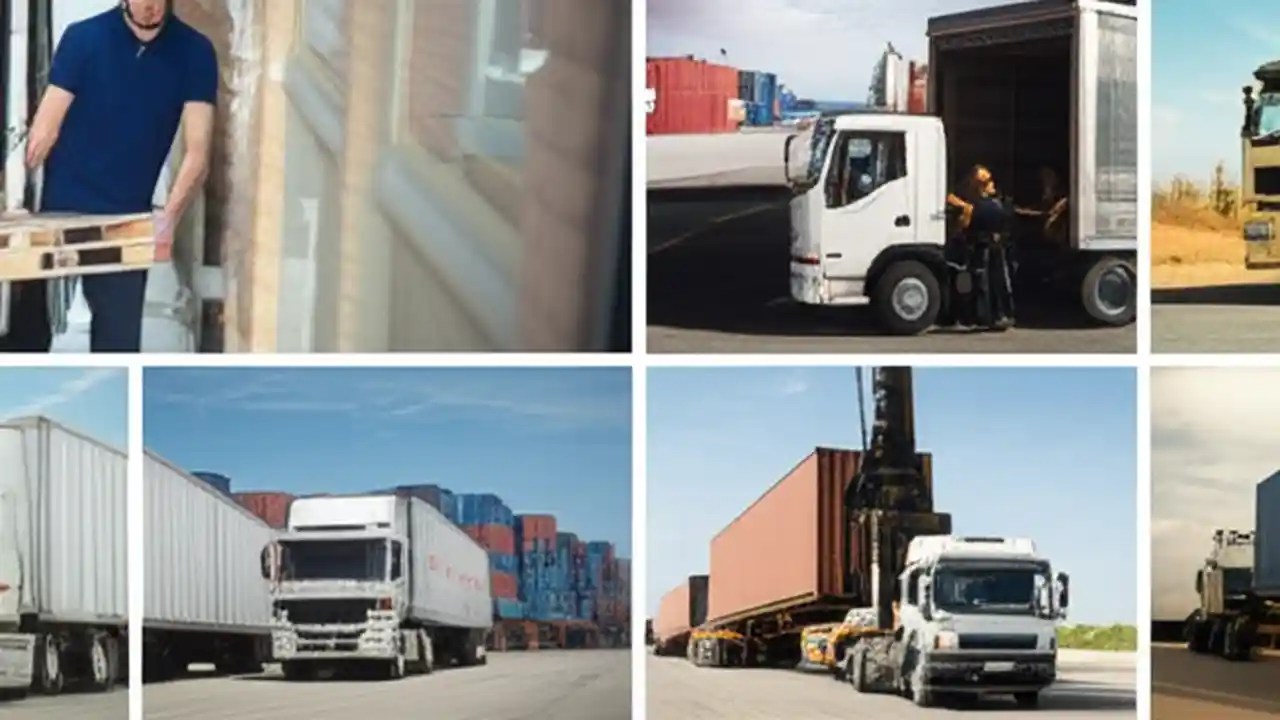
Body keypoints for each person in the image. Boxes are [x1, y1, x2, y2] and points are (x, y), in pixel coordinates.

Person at [5, 0, 216, 353]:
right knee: (27, 333)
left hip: (125, 220)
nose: (151, 7)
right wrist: (15, 200)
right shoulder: (84, 39)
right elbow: (44, 129)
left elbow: (198, 153)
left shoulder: (195, 52)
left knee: (118, 344)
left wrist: (169, 219)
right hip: (60, 210)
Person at [946, 165, 1015, 331]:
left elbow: (962, 227)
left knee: (981, 283)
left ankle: (981, 317)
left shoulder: (974, 207)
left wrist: (963, 211)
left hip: (980, 248)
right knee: (999, 283)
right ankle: (1001, 315)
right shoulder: (1002, 205)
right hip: (998, 249)